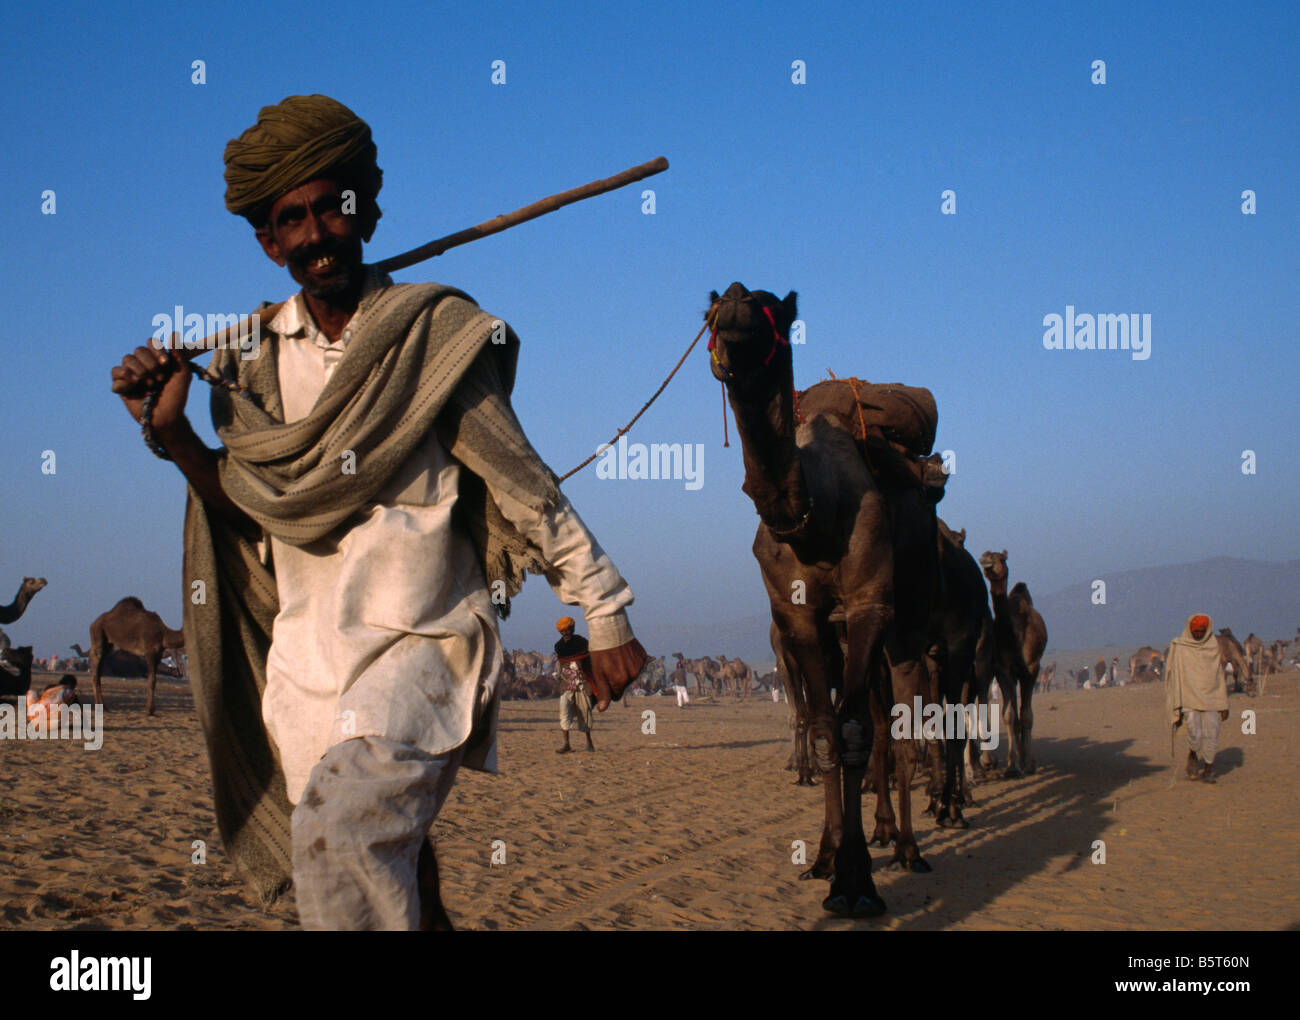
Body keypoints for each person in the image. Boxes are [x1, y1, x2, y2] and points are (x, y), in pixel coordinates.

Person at [110, 95, 646, 929]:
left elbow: (520, 480)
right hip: (305, 664)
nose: (318, 233)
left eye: (333, 207)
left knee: (345, 834)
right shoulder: (246, 366)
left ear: (366, 207)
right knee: (387, 861)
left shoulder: (429, 336)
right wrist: (173, 432)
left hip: (422, 642)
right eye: (293, 219)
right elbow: (255, 513)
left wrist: (604, 610)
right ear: (268, 241)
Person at [1165, 613, 1229, 784]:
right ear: (1189, 629)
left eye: (1202, 631)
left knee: (1212, 733)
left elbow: (1218, 675)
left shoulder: (1213, 645)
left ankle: (1208, 770)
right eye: (1196, 631)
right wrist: (1176, 699)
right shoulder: (1180, 646)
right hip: (1188, 695)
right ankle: (1192, 754)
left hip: (1212, 696)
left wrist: (1223, 702)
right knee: (1194, 731)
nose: (1199, 634)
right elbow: (1174, 674)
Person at [555, 617, 597, 752]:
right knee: (564, 712)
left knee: (584, 712)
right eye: (563, 631)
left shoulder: (581, 642)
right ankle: (566, 744)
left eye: (567, 630)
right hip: (566, 683)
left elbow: (589, 660)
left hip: (581, 682)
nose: (566, 632)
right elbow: (562, 662)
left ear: (572, 629)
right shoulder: (559, 646)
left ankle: (589, 743)